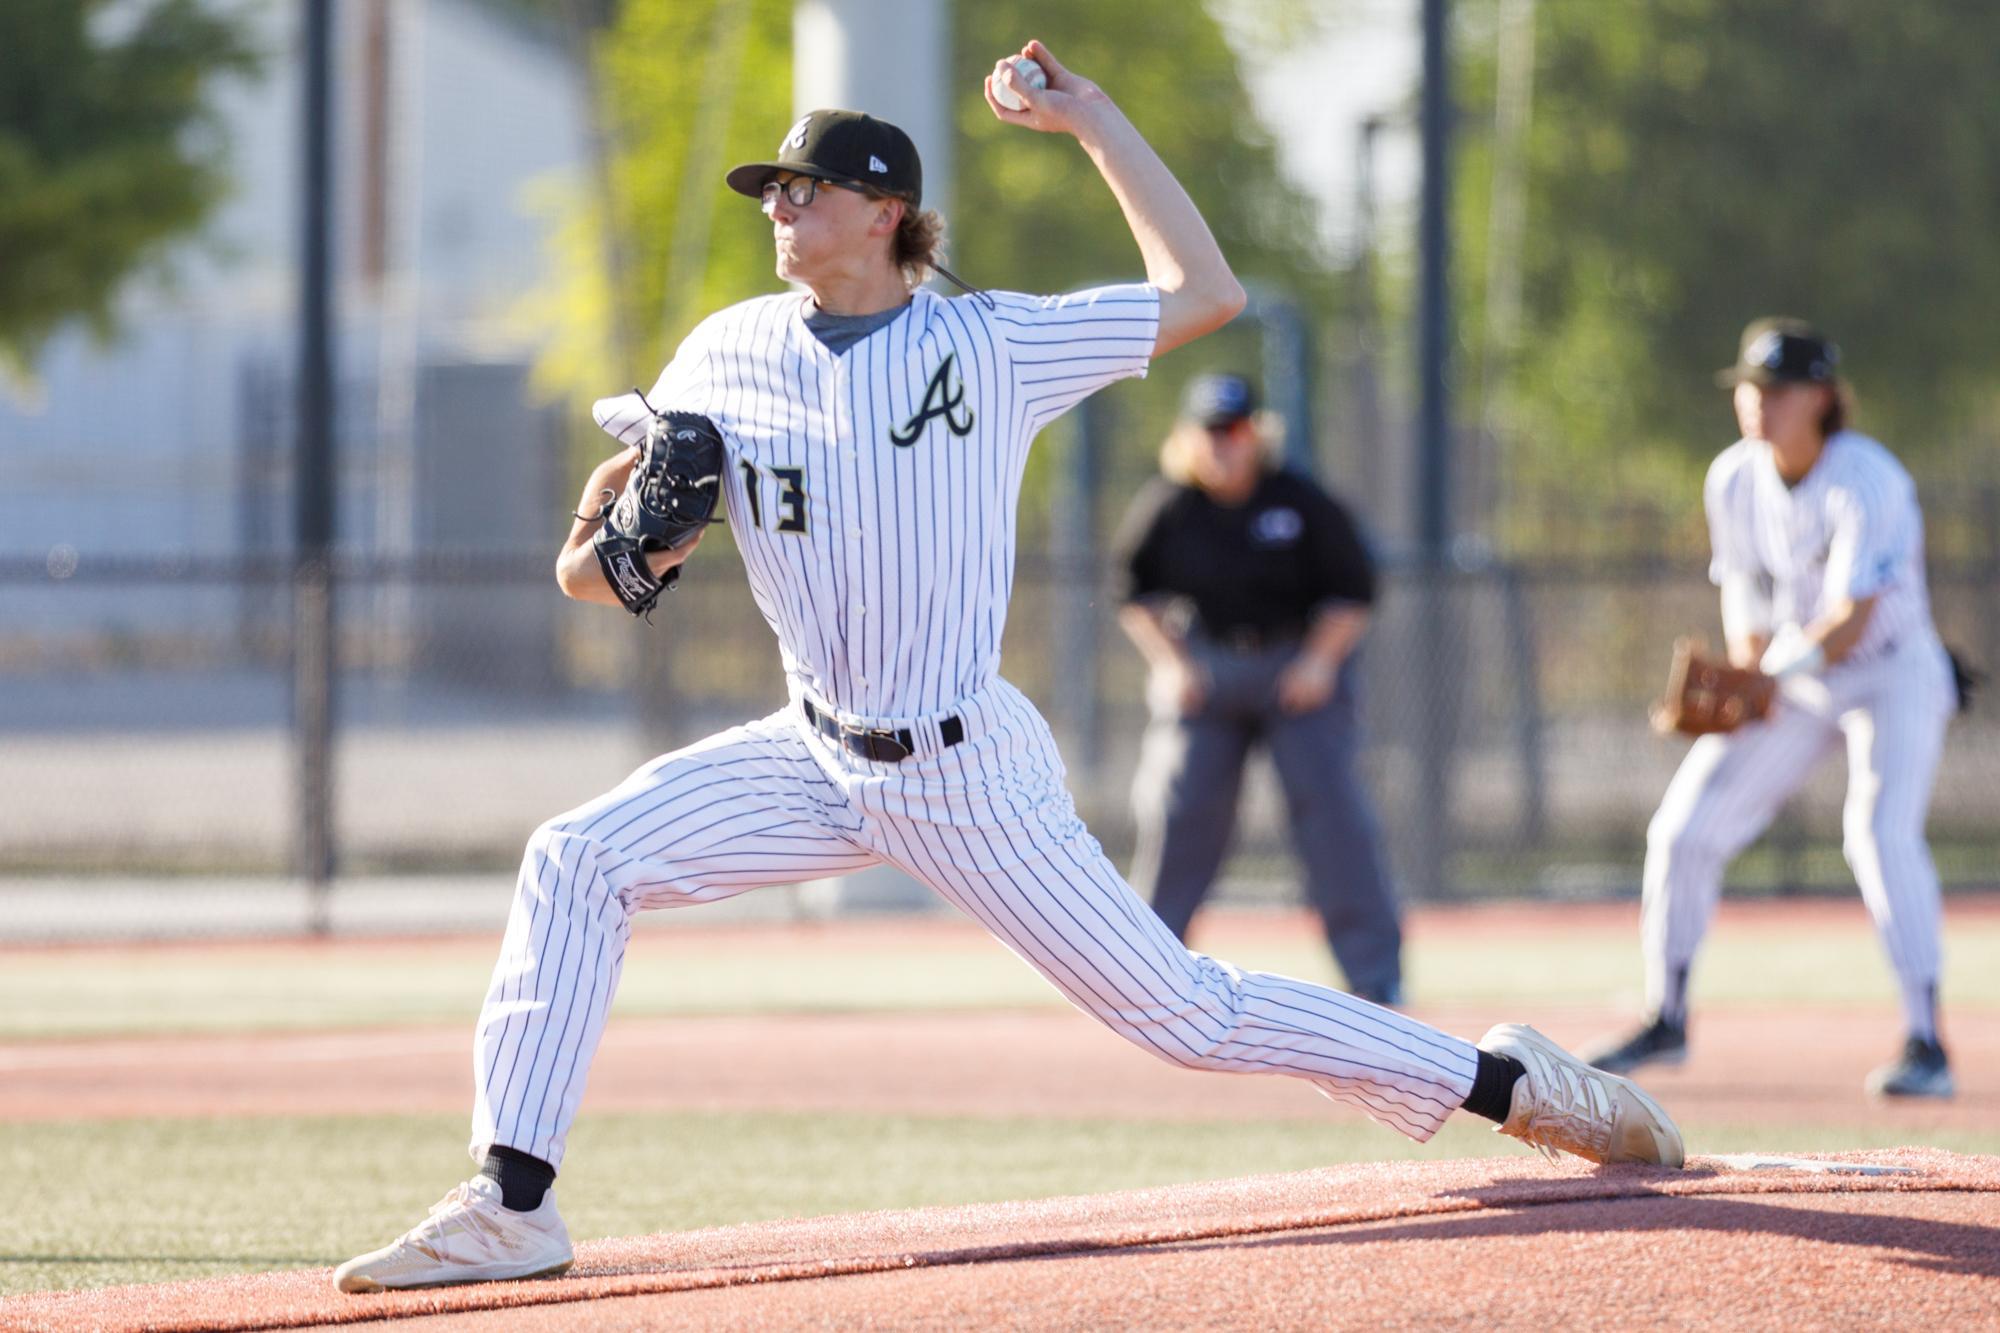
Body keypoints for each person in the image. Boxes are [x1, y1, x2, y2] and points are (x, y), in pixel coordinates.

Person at [333, 42, 1683, 1295]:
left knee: (1186, 1016)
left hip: (962, 768)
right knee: (576, 857)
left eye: (804, 189)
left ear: (886, 212)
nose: (778, 208)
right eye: (772, 191)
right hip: (810, 753)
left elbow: (1203, 294)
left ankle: (1505, 1082)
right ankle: (513, 1202)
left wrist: (1093, 124)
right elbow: (594, 570)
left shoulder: (988, 345)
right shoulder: (724, 352)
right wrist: (610, 544)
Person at [1585, 318, 1961, 1099]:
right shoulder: (1733, 476)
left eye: (1779, 389)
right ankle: (1667, 1015)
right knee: (1682, 830)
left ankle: (1926, 1039)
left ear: (1821, 397)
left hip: (1893, 670)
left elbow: (1851, 619)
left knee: (1879, 834)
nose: (1759, 402)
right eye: (1750, 388)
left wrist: (1767, 674)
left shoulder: (1868, 478)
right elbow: (1745, 594)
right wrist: (1748, 673)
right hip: (1797, 678)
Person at [1115, 374, 1402, 1004]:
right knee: (1178, 808)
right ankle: (1144, 974)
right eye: (1211, 432)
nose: (1224, 444)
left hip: (1294, 669)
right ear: (1188, 439)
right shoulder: (1171, 505)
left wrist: (1319, 663)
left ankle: (1376, 977)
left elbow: (1353, 590)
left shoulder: (1297, 499)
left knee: (1332, 814)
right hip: (1209, 669)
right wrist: (1172, 664)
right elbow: (1134, 593)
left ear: (1257, 434)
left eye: (1236, 430)